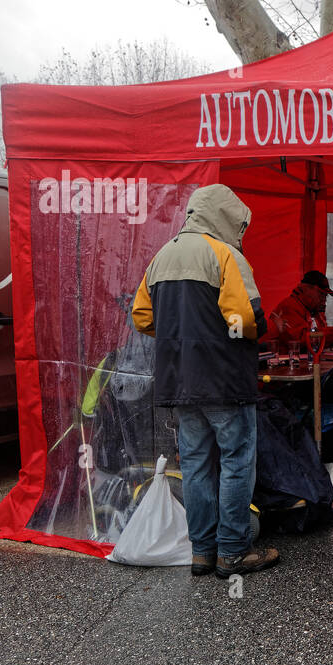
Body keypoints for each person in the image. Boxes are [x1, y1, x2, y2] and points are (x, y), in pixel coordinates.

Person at [131, 184, 279, 578]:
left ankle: (203, 552)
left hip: (179, 383)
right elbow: (244, 319)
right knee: (235, 463)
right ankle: (233, 552)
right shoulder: (224, 253)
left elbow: (142, 318)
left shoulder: (162, 256)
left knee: (196, 464)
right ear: (225, 216)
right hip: (225, 380)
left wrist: (182, 336)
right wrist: (240, 331)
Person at [266, 270, 333, 353]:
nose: (324, 300)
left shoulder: (314, 310)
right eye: (321, 294)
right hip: (281, 362)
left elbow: (321, 339)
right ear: (306, 289)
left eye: (325, 296)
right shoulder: (289, 306)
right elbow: (301, 339)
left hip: (303, 361)